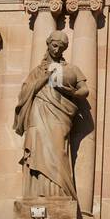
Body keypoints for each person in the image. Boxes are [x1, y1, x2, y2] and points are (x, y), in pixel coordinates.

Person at [14, 31, 90, 199]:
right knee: (37, 147)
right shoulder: (37, 71)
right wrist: (44, 78)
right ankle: (37, 194)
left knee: (57, 150)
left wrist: (71, 92)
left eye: (61, 48)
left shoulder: (71, 69)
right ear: (48, 44)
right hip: (38, 111)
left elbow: (84, 90)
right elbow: (24, 93)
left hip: (60, 114)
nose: (57, 50)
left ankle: (61, 192)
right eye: (54, 46)